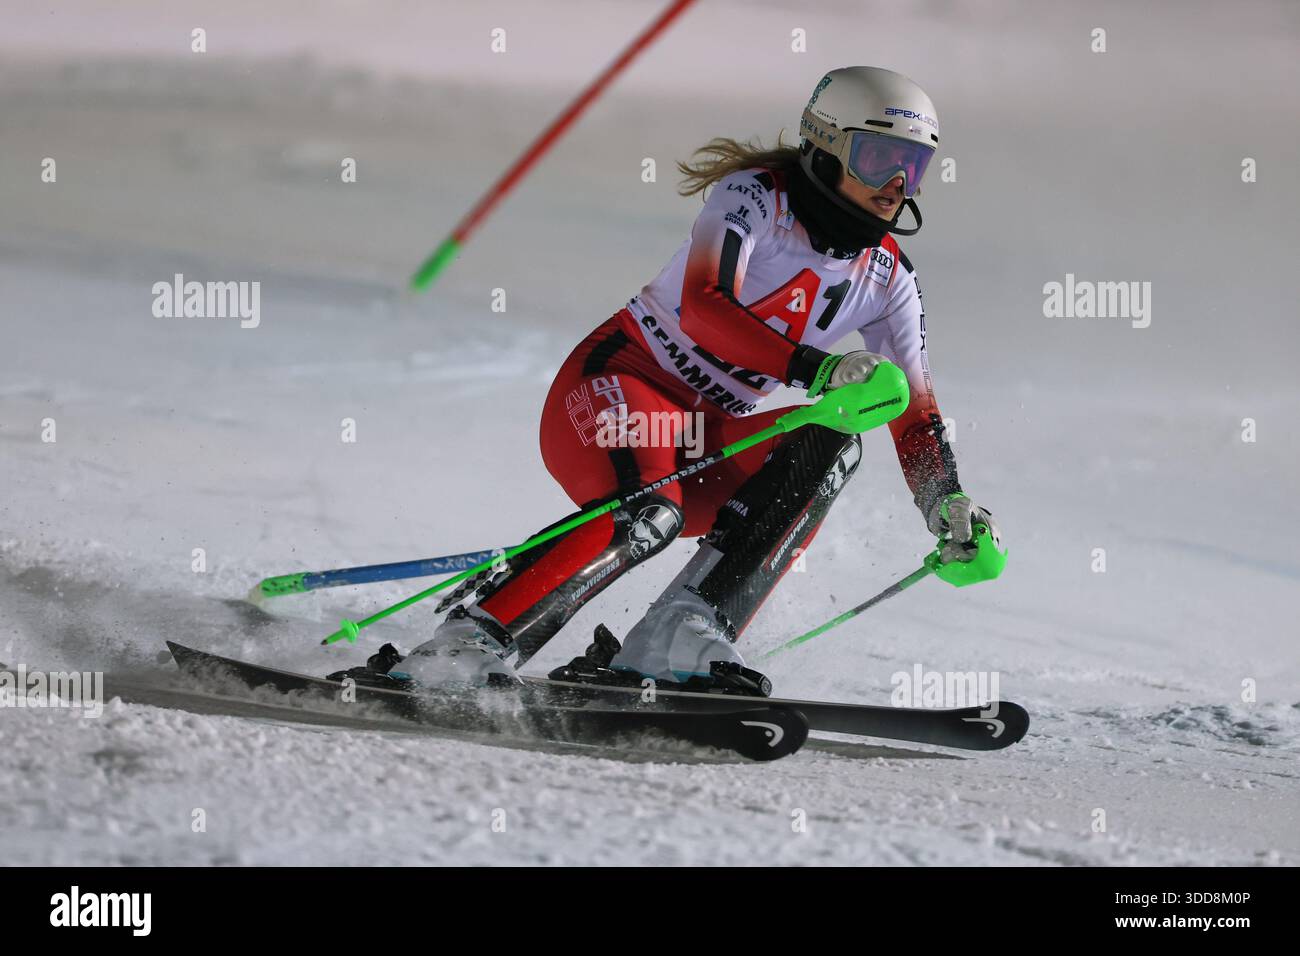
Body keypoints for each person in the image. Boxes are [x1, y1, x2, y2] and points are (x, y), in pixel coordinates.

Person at [388, 66, 1000, 694]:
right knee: (649, 512)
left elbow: (915, 410)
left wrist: (945, 502)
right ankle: (465, 643)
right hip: (615, 389)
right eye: (878, 160)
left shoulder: (889, 278)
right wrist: (818, 368)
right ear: (827, 146)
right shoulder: (754, 198)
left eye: (914, 166)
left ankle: (678, 635)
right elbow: (705, 305)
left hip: (705, 440)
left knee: (833, 443)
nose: (896, 185)